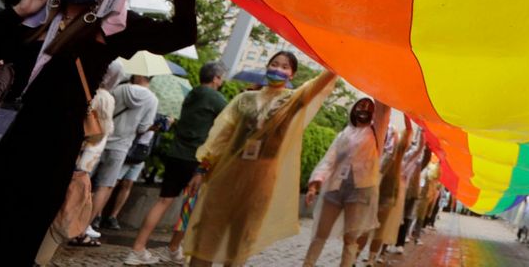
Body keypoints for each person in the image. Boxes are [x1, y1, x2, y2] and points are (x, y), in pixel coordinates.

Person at [0, 0, 197, 265]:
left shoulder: (112, 27)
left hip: (51, 148)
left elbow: (181, 34)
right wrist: (19, 11)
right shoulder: (39, 14)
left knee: (19, 232)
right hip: (3, 134)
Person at [183, 51, 337, 266]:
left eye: (285, 67)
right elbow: (222, 137)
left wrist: (338, 57)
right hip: (227, 172)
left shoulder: (291, 101)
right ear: (266, 67)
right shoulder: (245, 99)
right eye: (274, 64)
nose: (278, 69)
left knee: (241, 233)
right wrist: (203, 168)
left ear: (292, 74)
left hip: (261, 178)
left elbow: (320, 83)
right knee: (208, 229)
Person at [124, 60, 229, 265]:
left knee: (163, 201)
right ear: (216, 78)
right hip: (196, 160)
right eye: (221, 77)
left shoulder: (191, 94)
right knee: (189, 206)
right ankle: (172, 248)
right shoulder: (215, 98)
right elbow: (232, 118)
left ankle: (137, 248)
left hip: (176, 154)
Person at [35, 62, 121, 263]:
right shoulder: (106, 97)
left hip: (61, 150)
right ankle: (46, 253)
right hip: (84, 159)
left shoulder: (78, 86)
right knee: (67, 206)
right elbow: (103, 131)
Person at [302, 96, 392, 266]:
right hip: (335, 189)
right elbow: (329, 160)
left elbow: (384, 110)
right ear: (353, 109)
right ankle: (307, 264)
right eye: (360, 105)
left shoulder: (376, 133)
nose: (364, 109)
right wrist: (315, 184)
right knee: (320, 233)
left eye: (368, 107)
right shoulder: (344, 134)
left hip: (360, 191)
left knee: (350, 238)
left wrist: (378, 88)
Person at [90, 70, 161, 229]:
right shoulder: (152, 100)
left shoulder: (119, 89)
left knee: (84, 178)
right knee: (105, 185)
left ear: (139, 75)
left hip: (100, 139)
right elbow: (143, 127)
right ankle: (84, 227)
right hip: (121, 147)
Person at [364, 115, 414, 263]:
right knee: (364, 226)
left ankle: (371, 259)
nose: (392, 135)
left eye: (394, 134)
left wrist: (407, 112)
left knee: (380, 227)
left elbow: (409, 131)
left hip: (388, 193)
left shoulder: (397, 152)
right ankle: (354, 257)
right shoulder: (375, 144)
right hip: (369, 190)